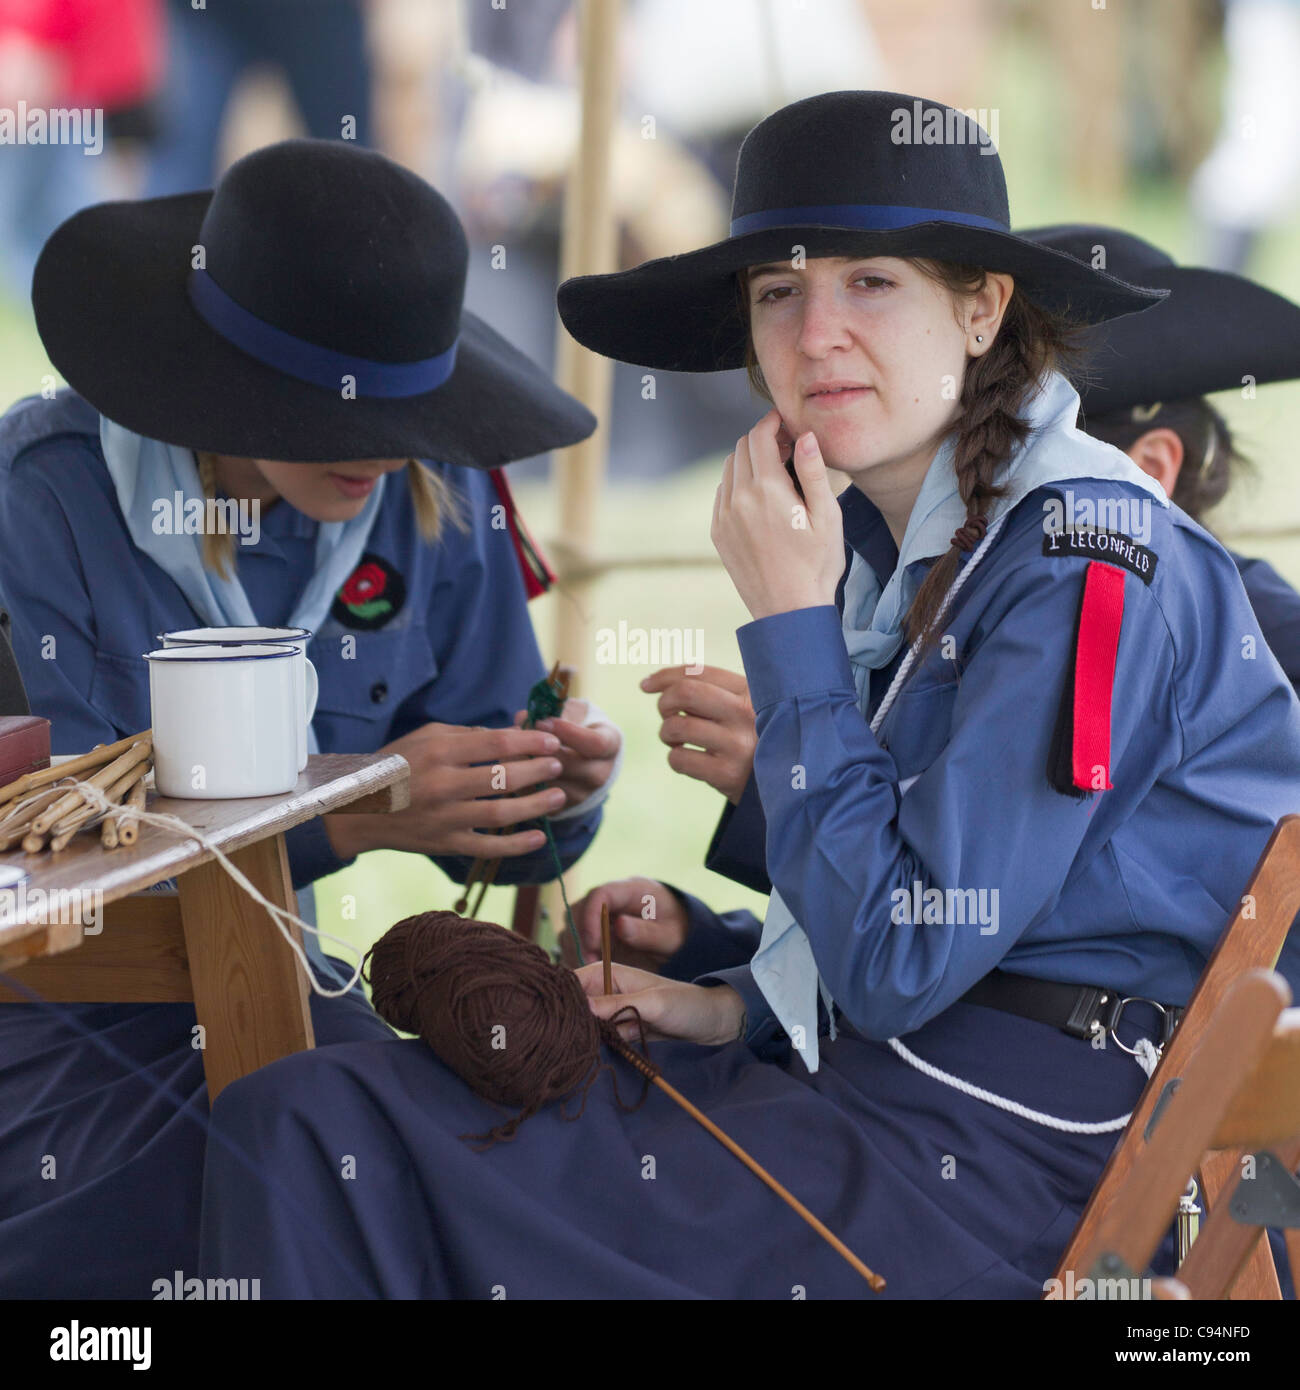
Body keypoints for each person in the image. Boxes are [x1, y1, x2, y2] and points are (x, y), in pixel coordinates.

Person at [196, 91, 1300, 1299]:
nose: (815, 333)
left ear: (982, 311)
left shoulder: (1086, 555)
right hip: (871, 1093)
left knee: (323, 1134)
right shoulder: (904, 546)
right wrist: (723, 1000)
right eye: (778, 293)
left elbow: (904, 952)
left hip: (991, 1164)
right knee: (308, 1113)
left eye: (870, 282)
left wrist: (788, 629)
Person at [0, 139, 622, 1297]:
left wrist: (549, 787)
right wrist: (346, 814)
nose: (383, 452)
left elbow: (502, 810)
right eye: (337, 416)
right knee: (328, 1179)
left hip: (279, 992)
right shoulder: (43, 498)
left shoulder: (436, 495)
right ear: (219, 380)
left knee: (507, 1165)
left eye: (412, 410)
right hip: (58, 1037)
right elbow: (48, 866)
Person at [632, 222, 1300, 964]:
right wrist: (722, 968)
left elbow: (941, 951)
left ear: (1143, 467)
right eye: (781, 295)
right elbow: (991, 924)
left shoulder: (1094, 578)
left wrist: (794, 751)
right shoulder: (928, 572)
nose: (820, 339)